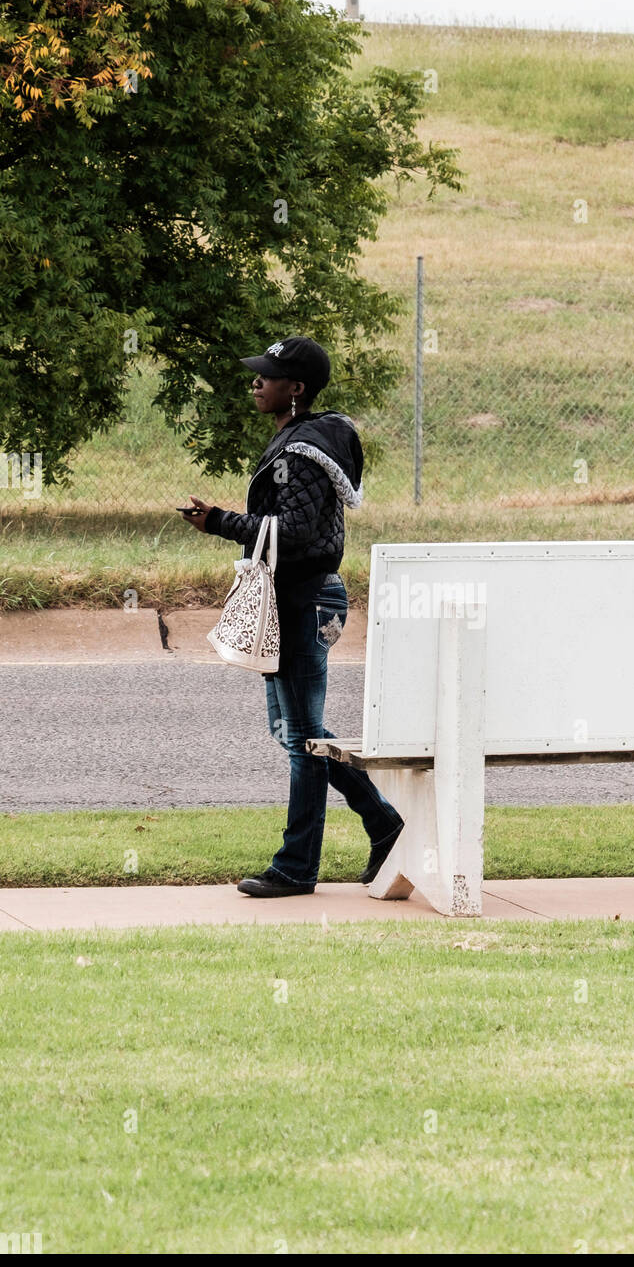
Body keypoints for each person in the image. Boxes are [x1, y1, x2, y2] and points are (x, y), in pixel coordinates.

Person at [182, 336, 403, 897]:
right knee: (292, 731)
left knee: (301, 737)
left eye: (267, 376)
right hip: (295, 598)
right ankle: (386, 826)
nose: (255, 382)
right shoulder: (297, 440)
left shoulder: (303, 449)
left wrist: (221, 522)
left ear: (296, 389)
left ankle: (297, 868)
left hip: (306, 599)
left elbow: (296, 534)